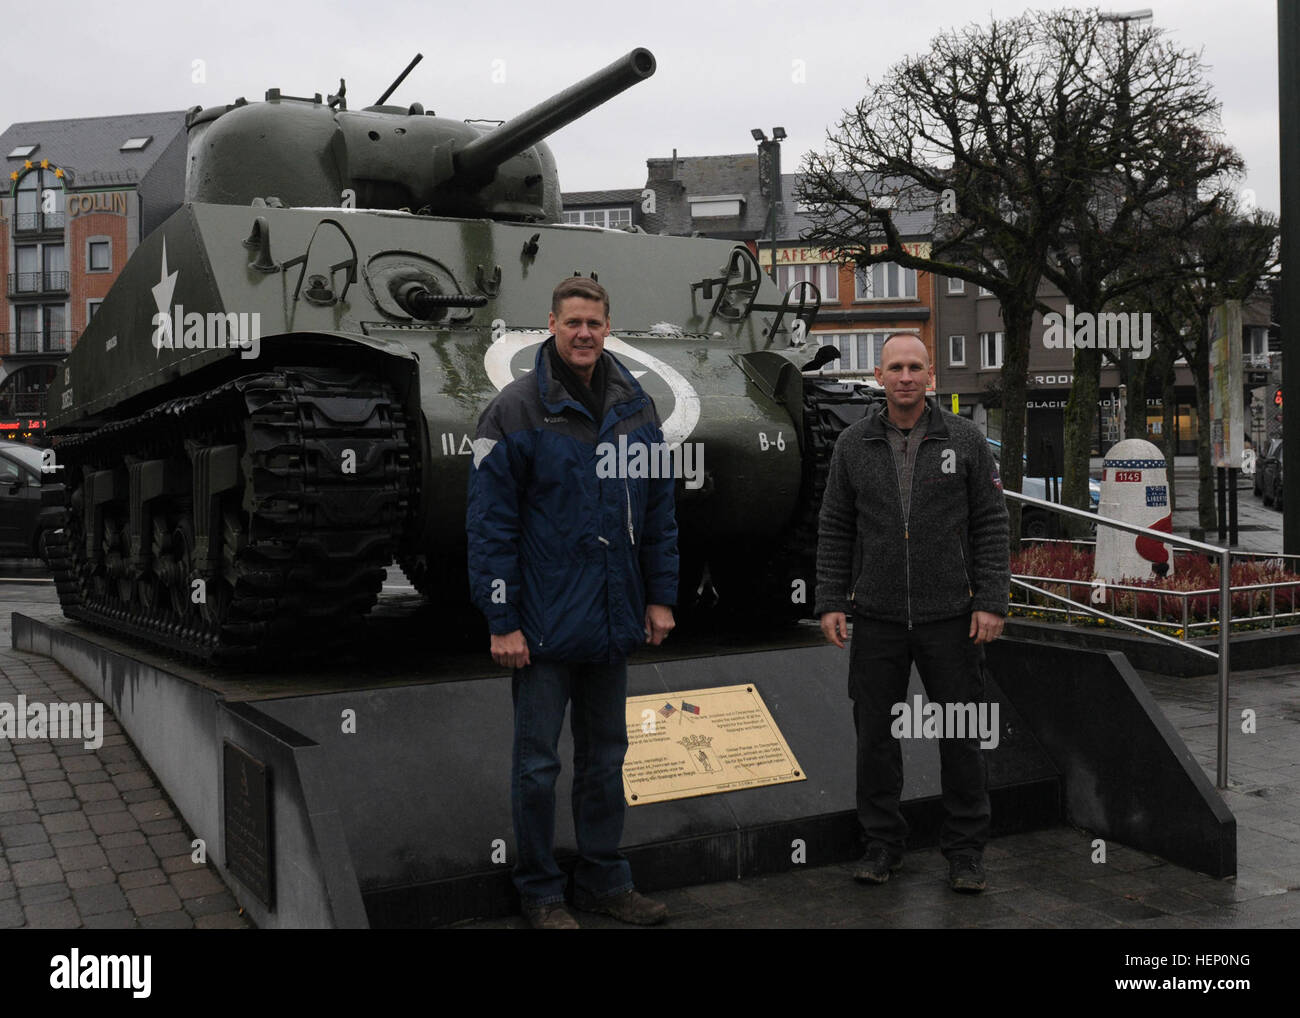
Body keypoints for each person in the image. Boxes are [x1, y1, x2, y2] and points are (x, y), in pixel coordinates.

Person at [466, 276, 678, 929]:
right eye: (572, 322)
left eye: (594, 323)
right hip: (542, 623)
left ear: (608, 327)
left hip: (614, 615)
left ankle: (606, 881)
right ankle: (540, 891)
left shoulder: (636, 407)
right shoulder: (515, 411)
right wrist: (501, 619)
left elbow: (660, 513)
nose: (583, 333)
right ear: (551, 325)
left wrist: (661, 599)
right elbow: (489, 526)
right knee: (538, 765)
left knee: (606, 759)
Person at [814, 333, 1009, 893]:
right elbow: (835, 527)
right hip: (874, 617)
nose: (905, 376)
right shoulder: (853, 444)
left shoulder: (966, 439)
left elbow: (991, 524)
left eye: (914, 367)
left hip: (951, 615)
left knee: (961, 736)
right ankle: (881, 846)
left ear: (931, 377)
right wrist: (830, 599)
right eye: (895, 367)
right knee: (875, 737)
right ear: (879, 376)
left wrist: (991, 600)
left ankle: (966, 852)